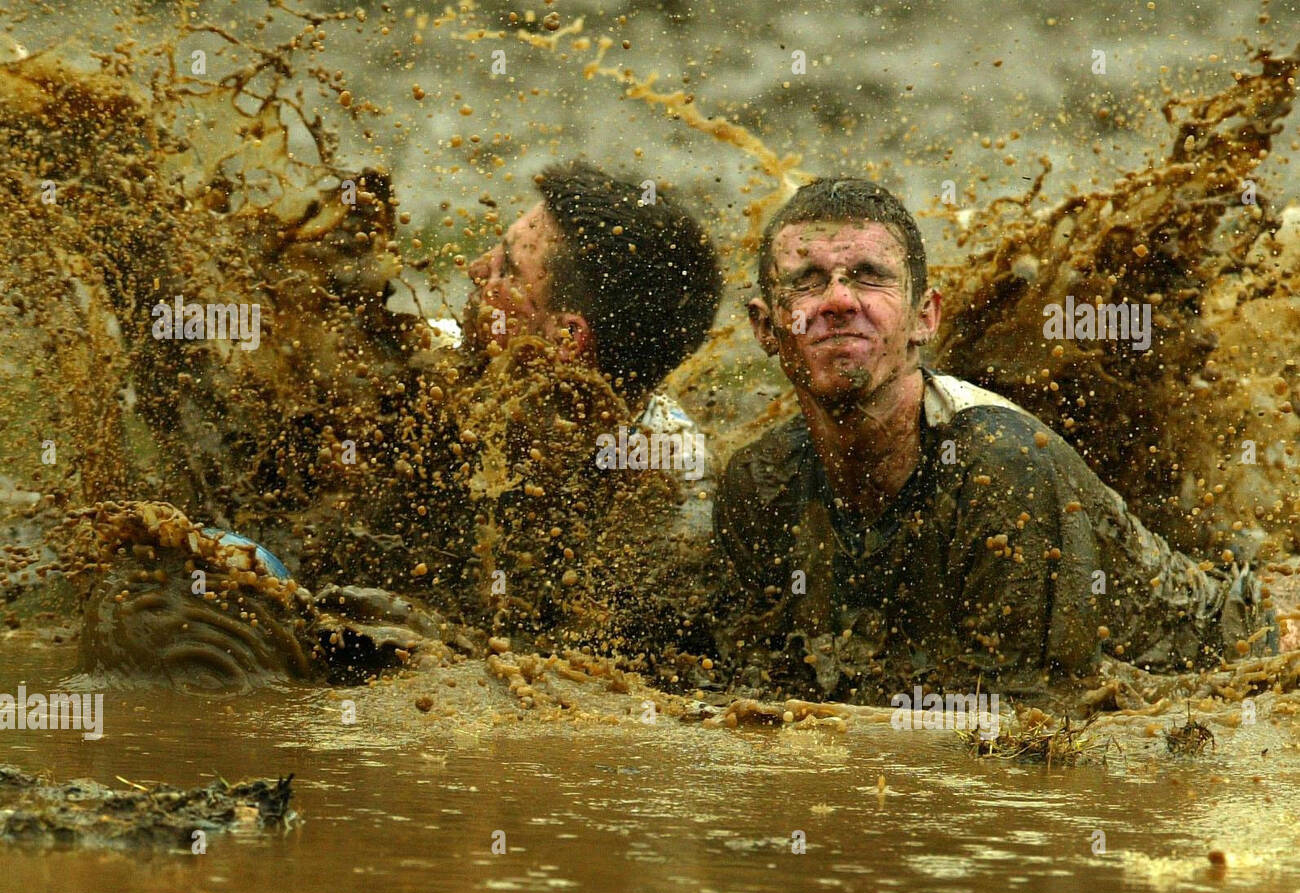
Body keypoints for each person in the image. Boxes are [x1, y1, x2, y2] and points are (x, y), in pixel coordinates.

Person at [72, 162, 724, 687]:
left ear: (565, 339)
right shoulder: (433, 367)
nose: (474, 270)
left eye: (504, 267)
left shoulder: (663, 470)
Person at [712, 177, 1276, 705]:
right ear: (766, 326)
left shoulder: (1001, 466)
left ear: (923, 318)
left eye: (868, 276)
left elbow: (1025, 735)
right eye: (807, 282)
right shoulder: (760, 481)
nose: (838, 301)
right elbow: (765, 693)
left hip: (1234, 654)